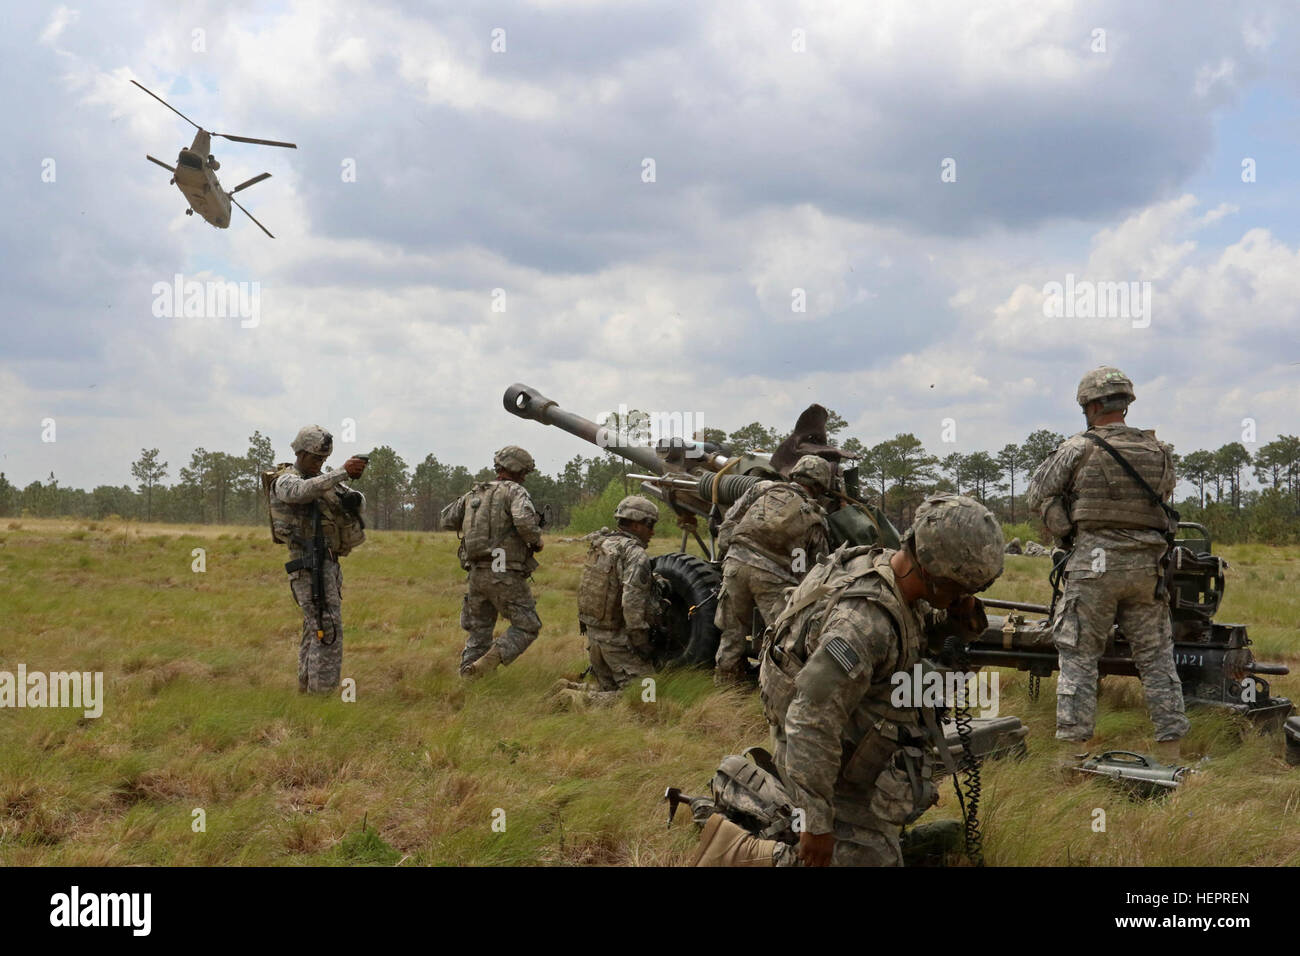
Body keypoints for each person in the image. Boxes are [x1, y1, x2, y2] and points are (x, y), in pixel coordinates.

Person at [694, 494, 1004, 866]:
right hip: (820, 750)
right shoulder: (862, 625)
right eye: (959, 587)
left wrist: (959, 618)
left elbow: (920, 630)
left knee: (928, 836)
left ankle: (765, 793)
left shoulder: (895, 571)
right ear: (935, 572)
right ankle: (745, 849)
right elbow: (810, 721)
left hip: (858, 746)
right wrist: (817, 824)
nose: (964, 595)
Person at [1025, 366, 1188, 759]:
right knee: (1157, 662)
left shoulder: (1080, 447)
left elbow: (1037, 493)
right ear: (1125, 404)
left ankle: (1073, 757)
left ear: (1092, 405)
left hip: (1093, 567)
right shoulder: (1159, 451)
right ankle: (1172, 754)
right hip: (1147, 571)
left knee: (1079, 660)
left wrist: (1063, 528)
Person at [712, 455, 833, 683]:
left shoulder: (762, 489)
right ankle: (777, 690)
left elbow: (729, 521)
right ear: (820, 486)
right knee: (782, 639)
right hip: (772, 578)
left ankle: (725, 686)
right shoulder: (816, 515)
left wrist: (731, 553)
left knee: (732, 634)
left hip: (735, 567)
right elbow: (815, 570)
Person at [266, 425, 368, 694]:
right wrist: (342, 472)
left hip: (329, 564)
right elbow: (299, 492)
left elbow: (353, 501)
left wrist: (353, 499)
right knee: (328, 629)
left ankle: (307, 688)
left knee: (316, 628)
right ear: (299, 452)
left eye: (323, 460)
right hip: (307, 563)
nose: (319, 464)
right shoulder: (286, 479)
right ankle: (321, 696)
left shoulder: (325, 480)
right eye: (314, 458)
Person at [440, 445, 543, 678]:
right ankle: (486, 664)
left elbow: (446, 519)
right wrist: (536, 542)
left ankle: (467, 680)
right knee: (528, 625)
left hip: (476, 572)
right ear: (521, 470)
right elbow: (525, 522)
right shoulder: (515, 492)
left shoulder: (475, 493)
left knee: (479, 633)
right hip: (503, 570)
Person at [554, 495, 661, 706]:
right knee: (648, 694)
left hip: (595, 641)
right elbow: (632, 605)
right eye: (650, 525)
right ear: (638, 524)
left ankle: (570, 687)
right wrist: (642, 645)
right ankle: (574, 698)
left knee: (610, 689)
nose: (653, 532)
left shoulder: (602, 544)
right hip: (618, 643)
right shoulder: (635, 554)